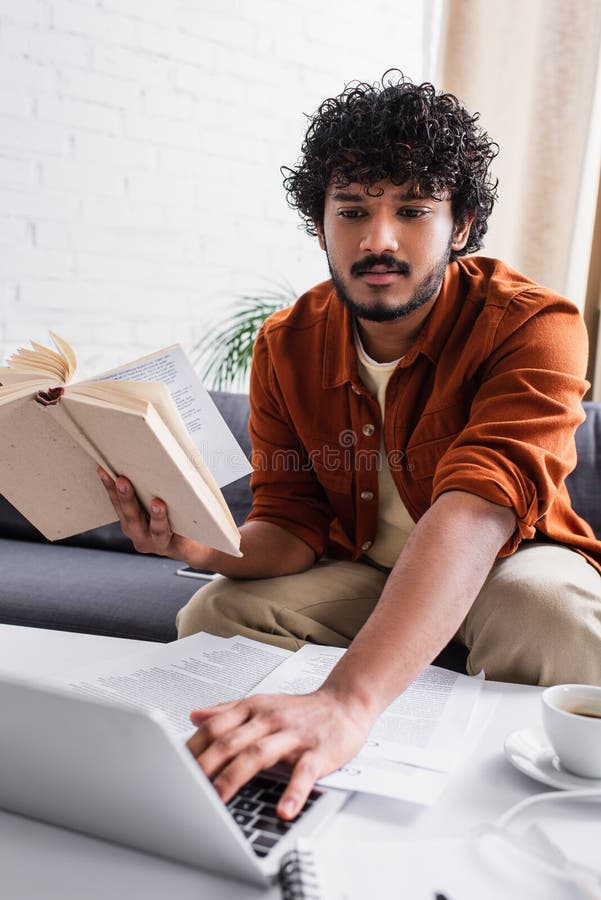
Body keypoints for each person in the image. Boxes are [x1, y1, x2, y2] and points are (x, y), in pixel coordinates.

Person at [99, 71, 601, 822]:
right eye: (353, 210)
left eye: (411, 211)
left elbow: (475, 510)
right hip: (370, 574)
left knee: (542, 608)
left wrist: (348, 698)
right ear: (320, 223)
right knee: (216, 613)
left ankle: (522, 810)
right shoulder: (286, 344)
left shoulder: (533, 324)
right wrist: (198, 542)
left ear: (459, 225)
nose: (378, 239)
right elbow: (291, 526)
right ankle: (274, 775)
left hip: (507, 563)